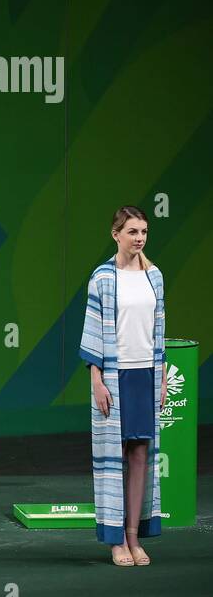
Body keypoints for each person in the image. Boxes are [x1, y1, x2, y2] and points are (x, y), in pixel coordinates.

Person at [79, 205, 165, 567]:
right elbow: (94, 331)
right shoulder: (102, 277)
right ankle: (115, 542)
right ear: (116, 234)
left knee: (141, 455)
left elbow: (159, 327)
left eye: (143, 231)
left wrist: (160, 378)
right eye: (132, 231)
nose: (139, 238)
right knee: (114, 459)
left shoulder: (154, 276)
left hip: (144, 375)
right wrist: (96, 380)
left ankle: (134, 538)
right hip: (114, 376)